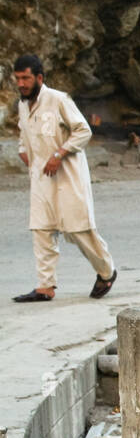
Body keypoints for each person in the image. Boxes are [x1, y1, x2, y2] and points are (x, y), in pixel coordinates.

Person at [10, 55, 118, 303]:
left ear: (39, 78)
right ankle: (45, 287)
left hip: (67, 176)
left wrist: (59, 154)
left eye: (26, 78)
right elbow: (23, 135)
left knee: (78, 229)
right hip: (40, 178)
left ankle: (106, 271)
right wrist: (23, 152)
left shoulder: (59, 100)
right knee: (41, 229)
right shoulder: (23, 105)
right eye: (18, 79)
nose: (21, 84)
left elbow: (83, 130)